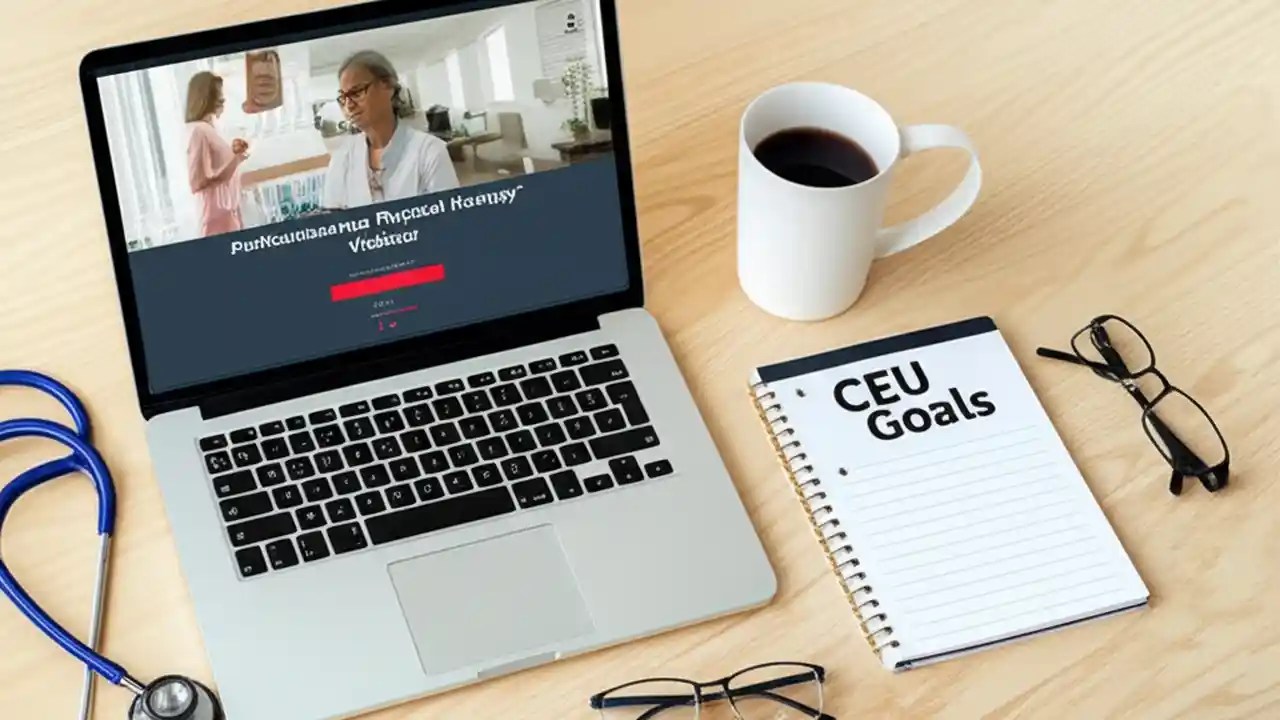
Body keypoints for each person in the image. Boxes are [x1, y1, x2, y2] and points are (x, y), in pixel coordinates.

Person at [323, 51, 459, 211]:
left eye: (357, 92)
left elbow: (449, 222)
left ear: (388, 86)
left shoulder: (429, 152)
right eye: (343, 98)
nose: (349, 105)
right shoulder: (342, 159)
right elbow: (334, 226)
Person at [185, 72, 249, 237]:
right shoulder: (200, 131)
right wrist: (235, 160)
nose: (223, 99)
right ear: (206, 97)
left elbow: (220, 167)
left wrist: (234, 154)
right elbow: (199, 180)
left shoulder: (210, 130)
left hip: (228, 216)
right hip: (216, 220)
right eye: (218, 94)